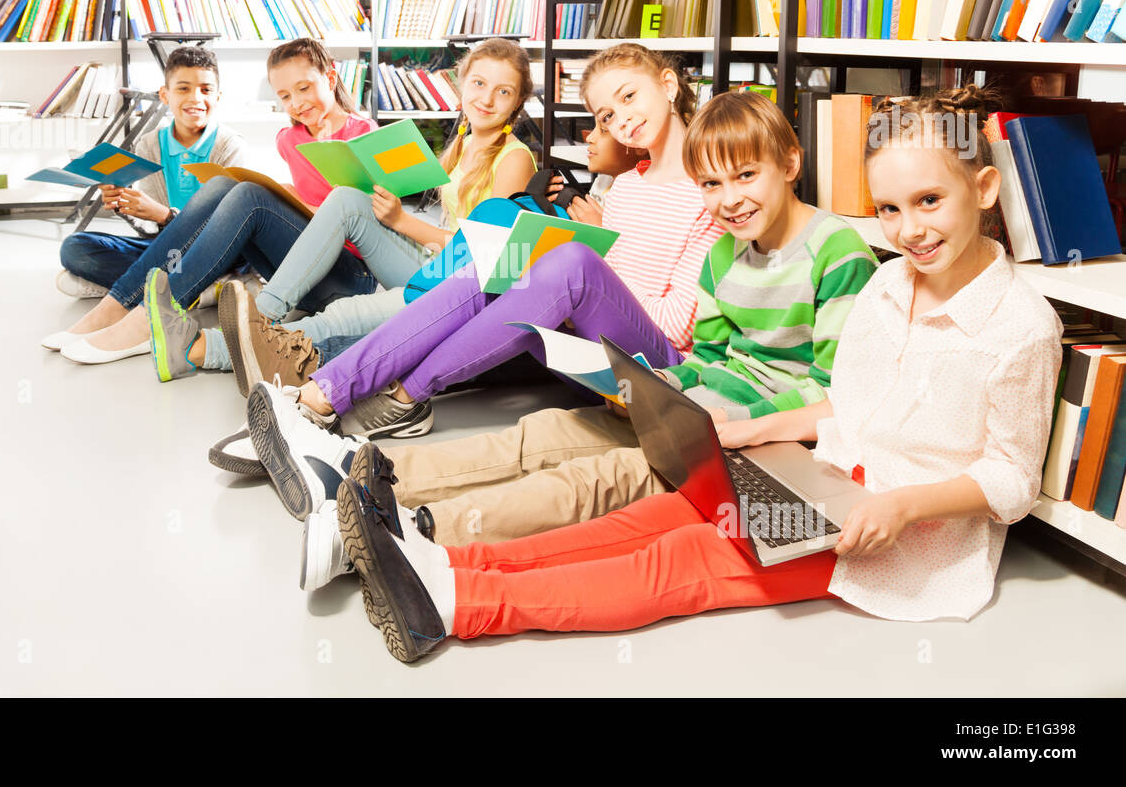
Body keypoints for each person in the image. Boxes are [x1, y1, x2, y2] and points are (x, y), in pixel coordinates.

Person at [334, 85, 1064, 662]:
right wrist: (752, 432)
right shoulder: (888, 285)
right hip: (826, 484)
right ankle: (444, 562)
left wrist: (902, 508)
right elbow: (849, 402)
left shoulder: (1022, 325)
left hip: (903, 538)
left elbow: (1011, 480)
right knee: (644, 520)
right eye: (891, 210)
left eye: (930, 202)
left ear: (988, 190)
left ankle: (457, 606)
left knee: (675, 565)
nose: (910, 230)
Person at [297, 89, 880, 590]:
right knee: (545, 430)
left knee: (591, 479)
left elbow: (832, 393)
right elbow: (707, 356)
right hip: (701, 406)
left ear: (791, 163)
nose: (729, 200)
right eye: (712, 184)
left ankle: (404, 529)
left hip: (765, 432)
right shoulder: (723, 248)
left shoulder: (837, 252)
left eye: (746, 176)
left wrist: (734, 419)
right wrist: (656, 388)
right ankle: (362, 469)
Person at [244, 43, 723, 522]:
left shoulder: (711, 188)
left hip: (658, 377)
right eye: (606, 112)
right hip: (591, 359)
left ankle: (403, 396)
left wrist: (586, 279)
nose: (621, 120)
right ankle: (322, 396)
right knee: (497, 260)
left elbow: (681, 326)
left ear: (668, 84)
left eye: (629, 97)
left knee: (571, 261)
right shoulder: (629, 185)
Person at [186, 37, 539, 395]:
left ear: (518, 102)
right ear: (461, 84)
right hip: (440, 266)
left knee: (340, 317)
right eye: (479, 83)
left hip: (462, 285)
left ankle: (216, 346)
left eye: (504, 91)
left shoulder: (514, 158)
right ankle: (263, 314)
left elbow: (485, 257)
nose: (487, 99)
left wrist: (400, 221)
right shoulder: (464, 142)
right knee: (346, 198)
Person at [49, 38, 377, 366]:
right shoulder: (289, 139)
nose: (297, 103)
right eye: (285, 96)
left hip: (349, 279)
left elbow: (370, 225)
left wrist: (291, 199)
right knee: (224, 183)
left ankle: (150, 316)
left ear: (331, 78)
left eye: (304, 88)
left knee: (248, 194)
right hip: (296, 281)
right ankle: (117, 305)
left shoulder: (364, 134)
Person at [44, 46, 250, 315]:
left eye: (206, 90)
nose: (196, 98)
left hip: (216, 251)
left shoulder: (230, 146)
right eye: (183, 89)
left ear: (218, 96)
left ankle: (130, 287)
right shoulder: (150, 143)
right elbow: (152, 234)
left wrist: (164, 215)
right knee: (75, 248)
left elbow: (227, 231)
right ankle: (194, 290)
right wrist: (126, 207)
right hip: (169, 250)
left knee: (245, 259)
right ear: (165, 95)